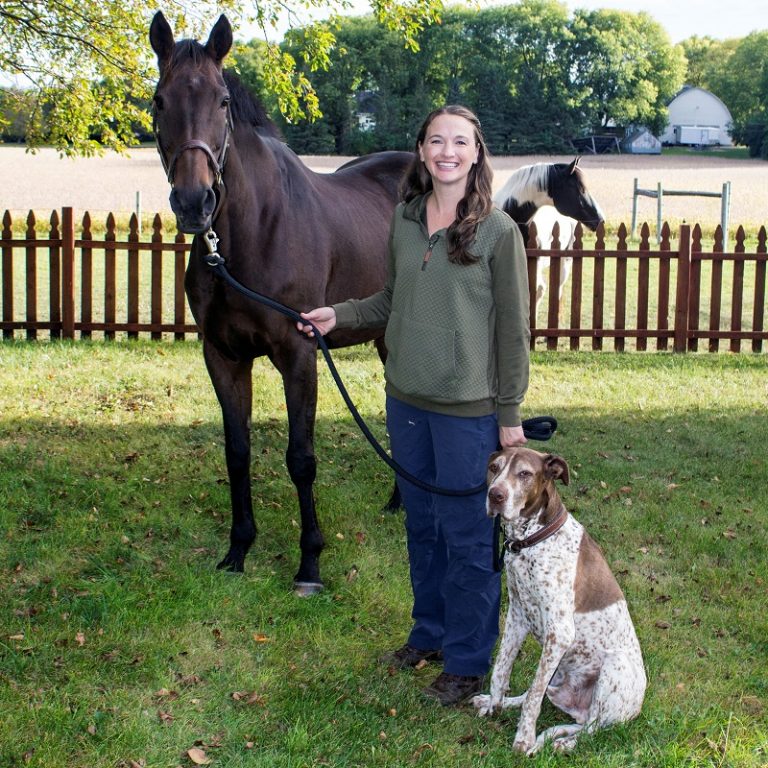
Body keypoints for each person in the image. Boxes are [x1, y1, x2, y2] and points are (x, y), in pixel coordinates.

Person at [297, 105, 530, 706]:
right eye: (435, 140)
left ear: (476, 152)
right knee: (421, 528)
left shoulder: (499, 232)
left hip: (466, 413)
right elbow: (390, 300)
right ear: (422, 150)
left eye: (459, 142)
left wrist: (508, 416)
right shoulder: (403, 219)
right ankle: (427, 634)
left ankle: (468, 662)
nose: (446, 151)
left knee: (467, 539)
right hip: (405, 404)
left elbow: (513, 332)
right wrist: (338, 314)